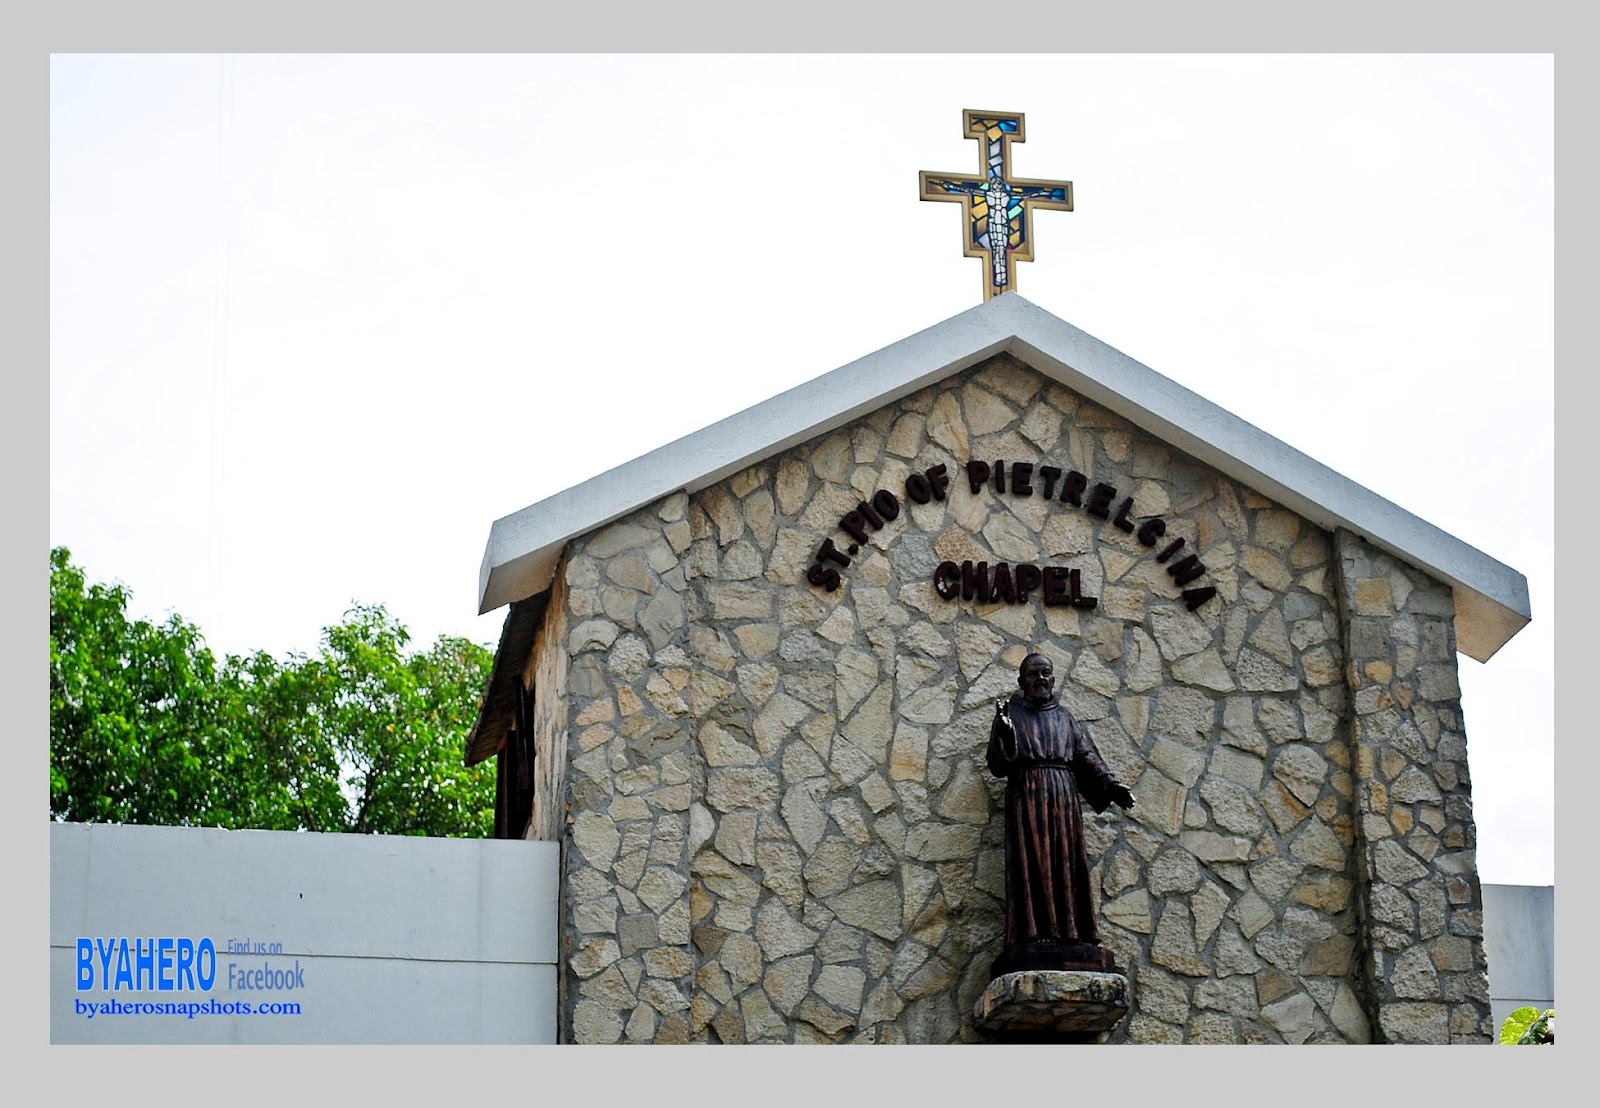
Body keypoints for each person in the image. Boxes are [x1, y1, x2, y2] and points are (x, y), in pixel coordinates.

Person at [986, 652, 1135, 978]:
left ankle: (1071, 932)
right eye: (1033, 674)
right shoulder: (1011, 714)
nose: (1040, 679)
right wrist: (1003, 731)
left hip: (1064, 799)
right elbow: (997, 764)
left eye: (1046, 673)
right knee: (1032, 865)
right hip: (1028, 797)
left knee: (1066, 864)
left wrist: (1110, 787)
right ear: (1021, 681)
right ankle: (1032, 934)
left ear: (1054, 679)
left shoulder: (1064, 718)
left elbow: (1085, 758)